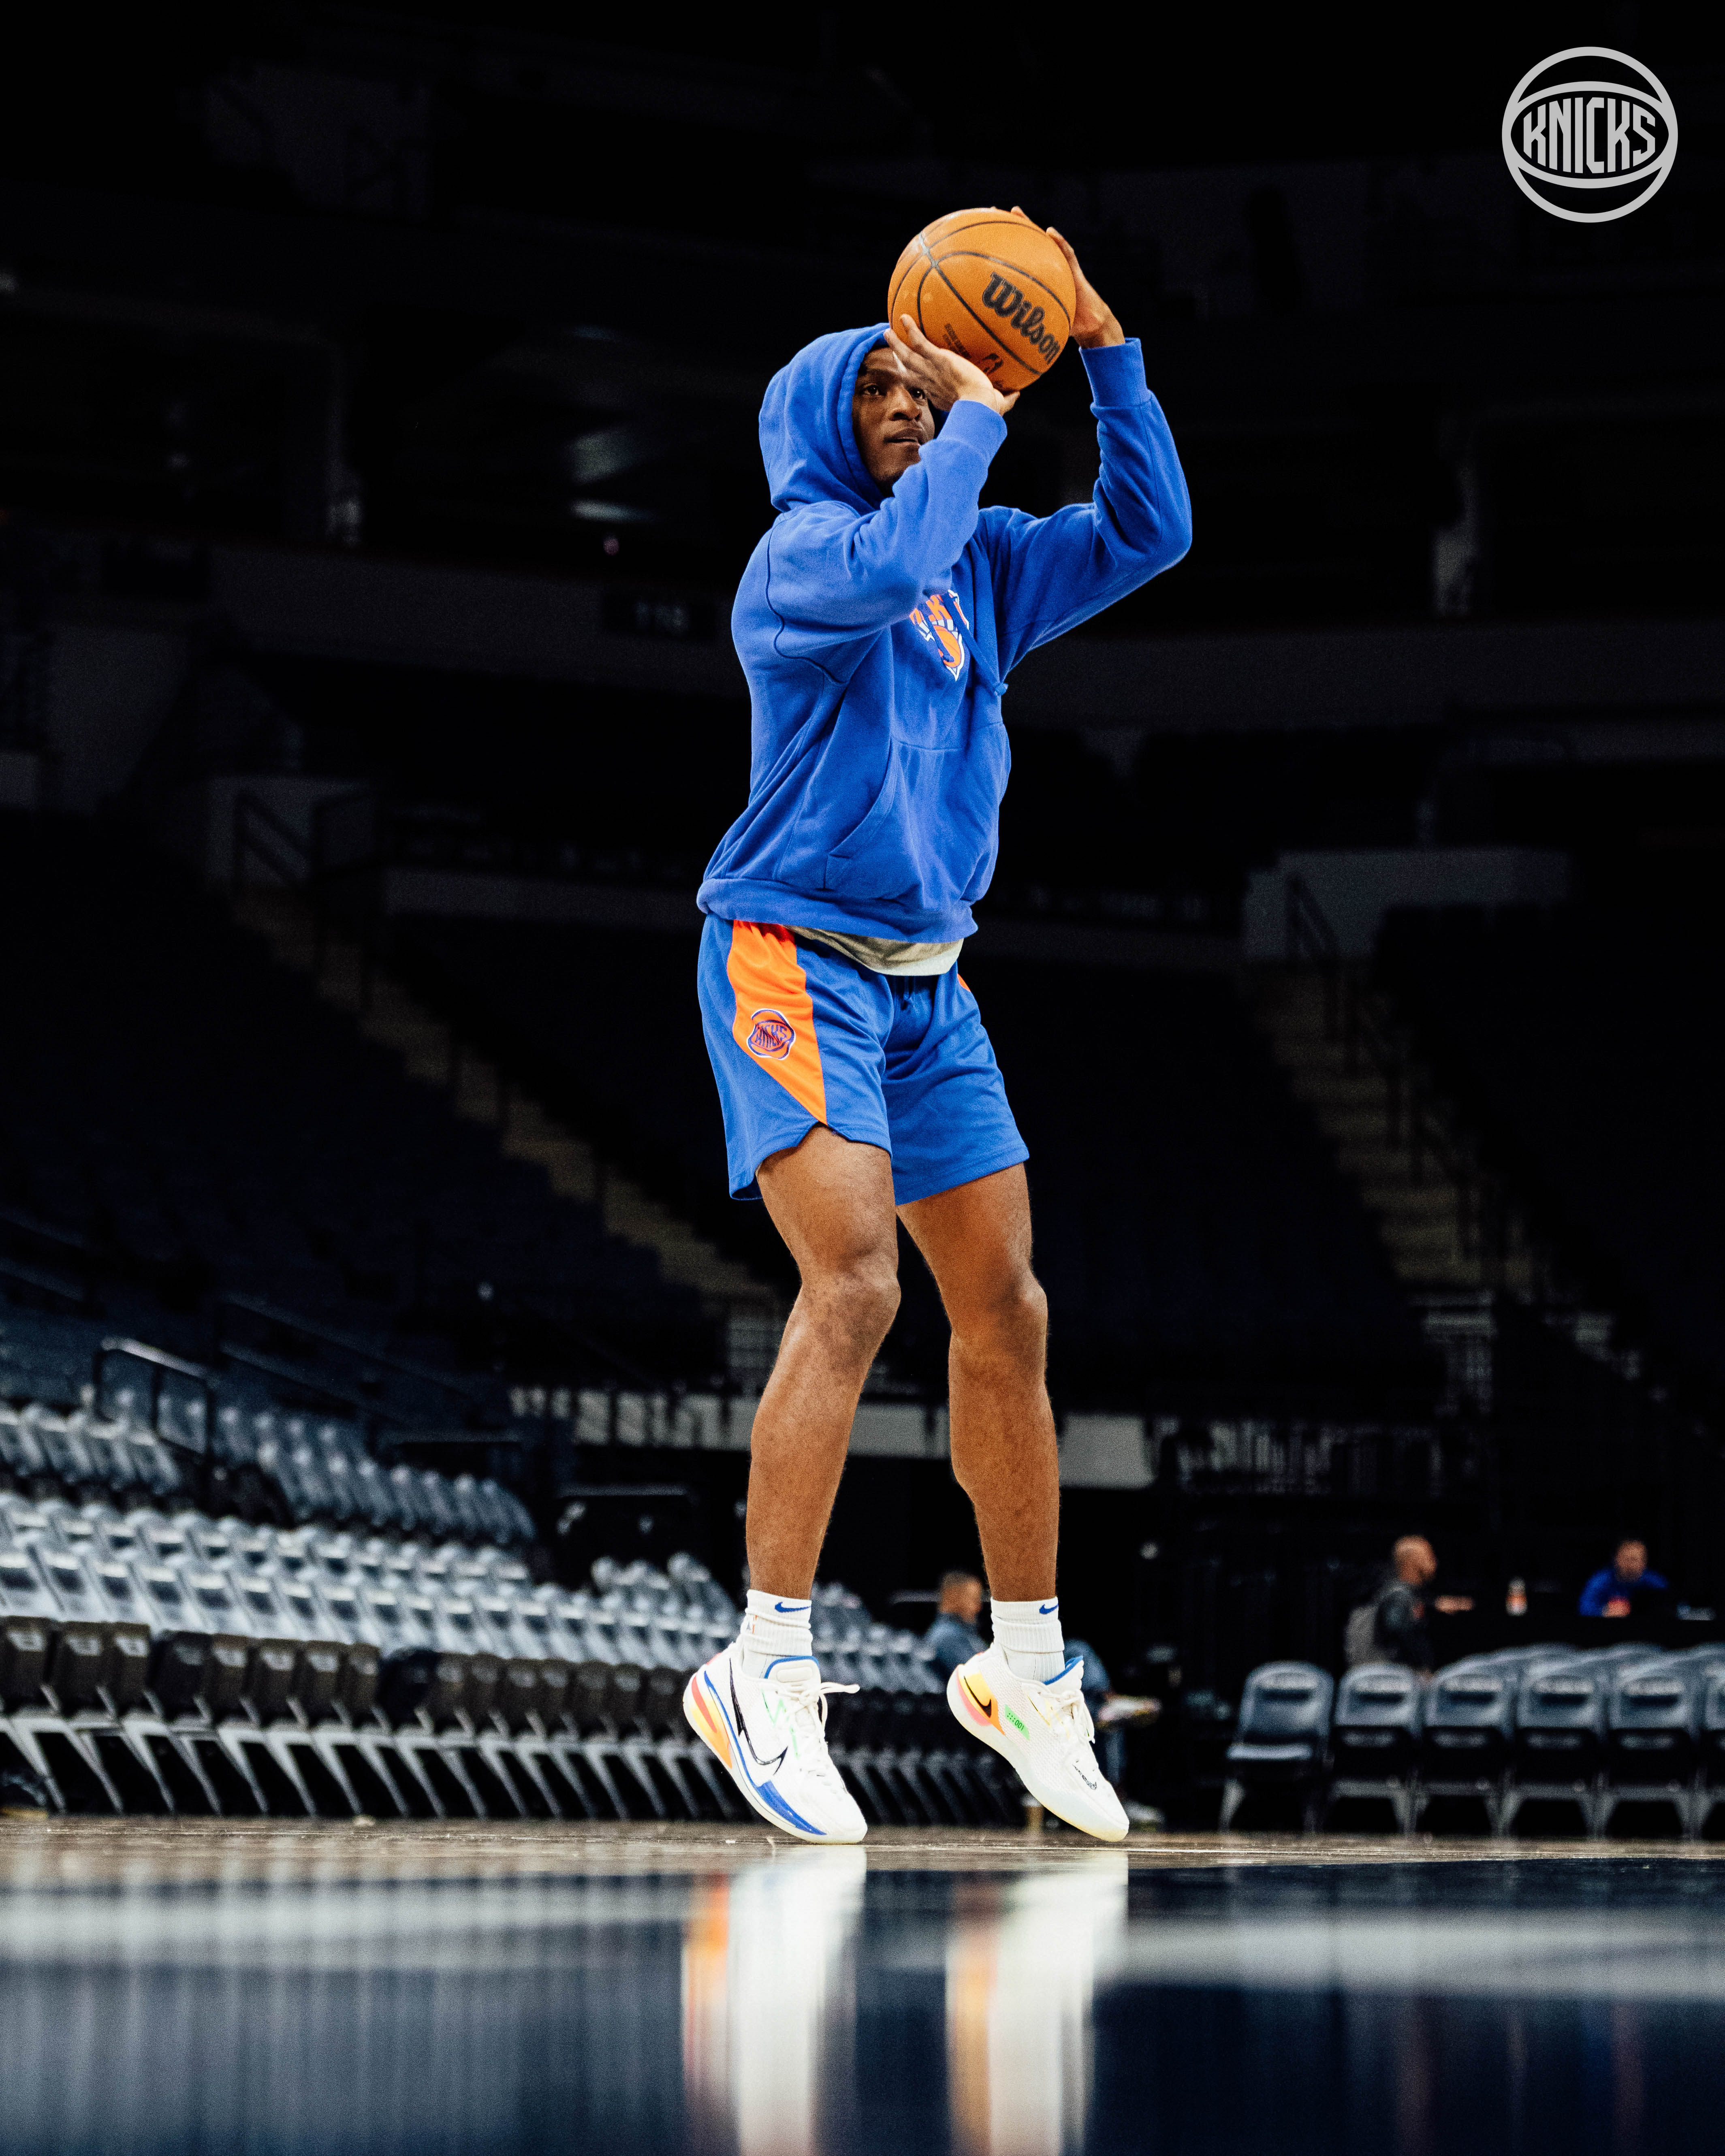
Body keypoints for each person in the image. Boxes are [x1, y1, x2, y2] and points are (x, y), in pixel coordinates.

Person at [681, 217, 1191, 1846]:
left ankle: (1027, 1670)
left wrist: (1103, 351)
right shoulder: (802, 560)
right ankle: (762, 1664)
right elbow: (899, 562)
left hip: (927, 980)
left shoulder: (981, 564)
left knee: (1007, 1310)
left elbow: (1151, 529)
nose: (913, 403)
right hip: (788, 955)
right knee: (853, 1283)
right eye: (881, 389)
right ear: (823, 422)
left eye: (931, 385)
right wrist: (978, 406)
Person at [1358, 1536, 1473, 1674]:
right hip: (1396, 1676)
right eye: (1429, 1557)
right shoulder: (1399, 1596)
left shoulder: (1408, 1594)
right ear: (1411, 1561)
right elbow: (1400, 1634)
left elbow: (1422, 1602)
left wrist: (1438, 1604)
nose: (1435, 1563)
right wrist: (1421, 1668)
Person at [1579, 1539, 1669, 1618]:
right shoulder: (1600, 1581)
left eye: (1637, 1560)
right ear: (1616, 1559)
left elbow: (1670, 1609)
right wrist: (1604, 1612)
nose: (1632, 1566)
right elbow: (1584, 1609)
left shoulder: (1656, 1583)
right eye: (1627, 1559)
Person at [924, 1571, 986, 1680]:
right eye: (974, 1600)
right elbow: (976, 1677)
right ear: (952, 1597)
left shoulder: (962, 1631)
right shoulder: (947, 1636)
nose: (979, 1608)